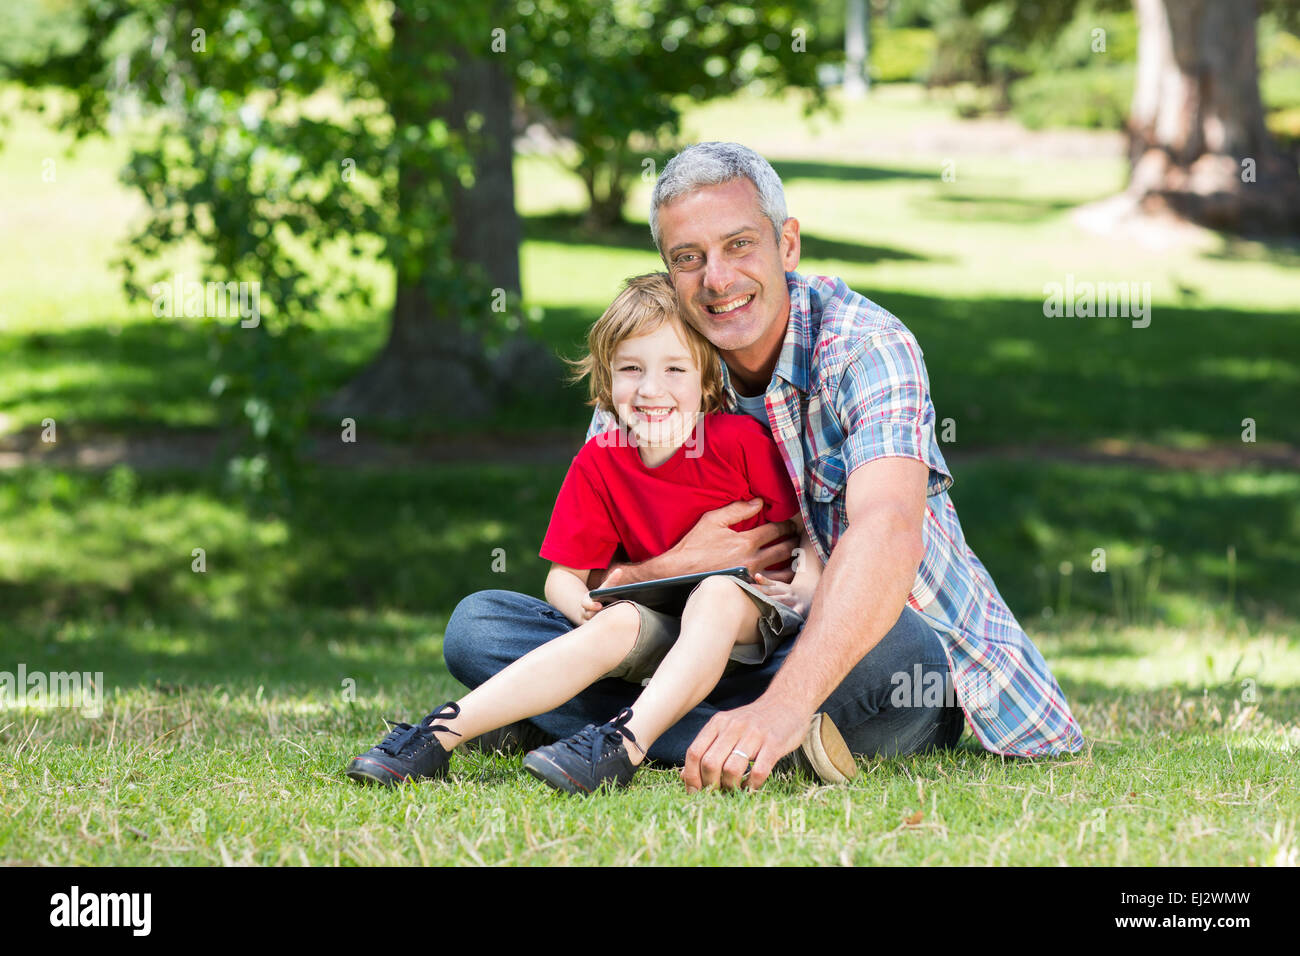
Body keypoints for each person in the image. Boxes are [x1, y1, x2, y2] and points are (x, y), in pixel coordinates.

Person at [444, 142, 1086, 792]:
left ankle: (598, 723)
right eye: (688, 259)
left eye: (739, 245)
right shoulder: (657, 362)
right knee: (480, 626)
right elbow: (589, 575)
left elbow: (889, 528)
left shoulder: (866, 347)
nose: (716, 279)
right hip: (684, 642)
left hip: (855, 651)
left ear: (787, 245)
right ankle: (708, 734)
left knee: (903, 650)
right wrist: (672, 568)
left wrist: (783, 703)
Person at [346, 273, 857, 794]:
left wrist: (808, 582)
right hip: (663, 626)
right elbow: (562, 580)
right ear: (607, 379)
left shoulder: (739, 442)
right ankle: (435, 736)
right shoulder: (599, 461)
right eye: (631, 369)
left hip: (755, 626)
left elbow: (807, 522)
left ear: (706, 382)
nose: (651, 389)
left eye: (674, 369)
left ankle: (621, 741)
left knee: (718, 594)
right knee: (521, 623)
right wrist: (586, 611)